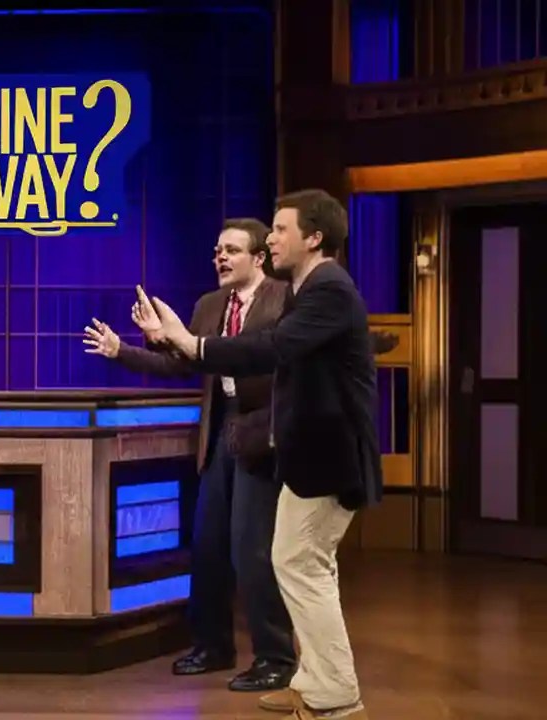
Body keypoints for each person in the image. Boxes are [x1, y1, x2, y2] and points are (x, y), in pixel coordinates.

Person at [134, 189, 379, 720]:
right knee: (297, 563)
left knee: (300, 565)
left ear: (314, 238)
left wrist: (191, 343)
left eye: (281, 230)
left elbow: (270, 348)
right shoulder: (308, 288)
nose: (272, 239)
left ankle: (334, 691)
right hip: (306, 456)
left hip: (328, 458)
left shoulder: (330, 289)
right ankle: (313, 680)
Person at [84, 218, 295, 693]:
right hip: (219, 430)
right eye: (217, 250)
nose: (220, 257)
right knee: (208, 544)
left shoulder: (284, 300)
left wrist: (188, 341)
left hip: (262, 430)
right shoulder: (209, 305)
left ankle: (275, 656)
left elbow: (260, 355)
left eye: (232, 251)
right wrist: (124, 350)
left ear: (259, 258)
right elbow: (181, 362)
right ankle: (213, 646)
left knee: (251, 549)